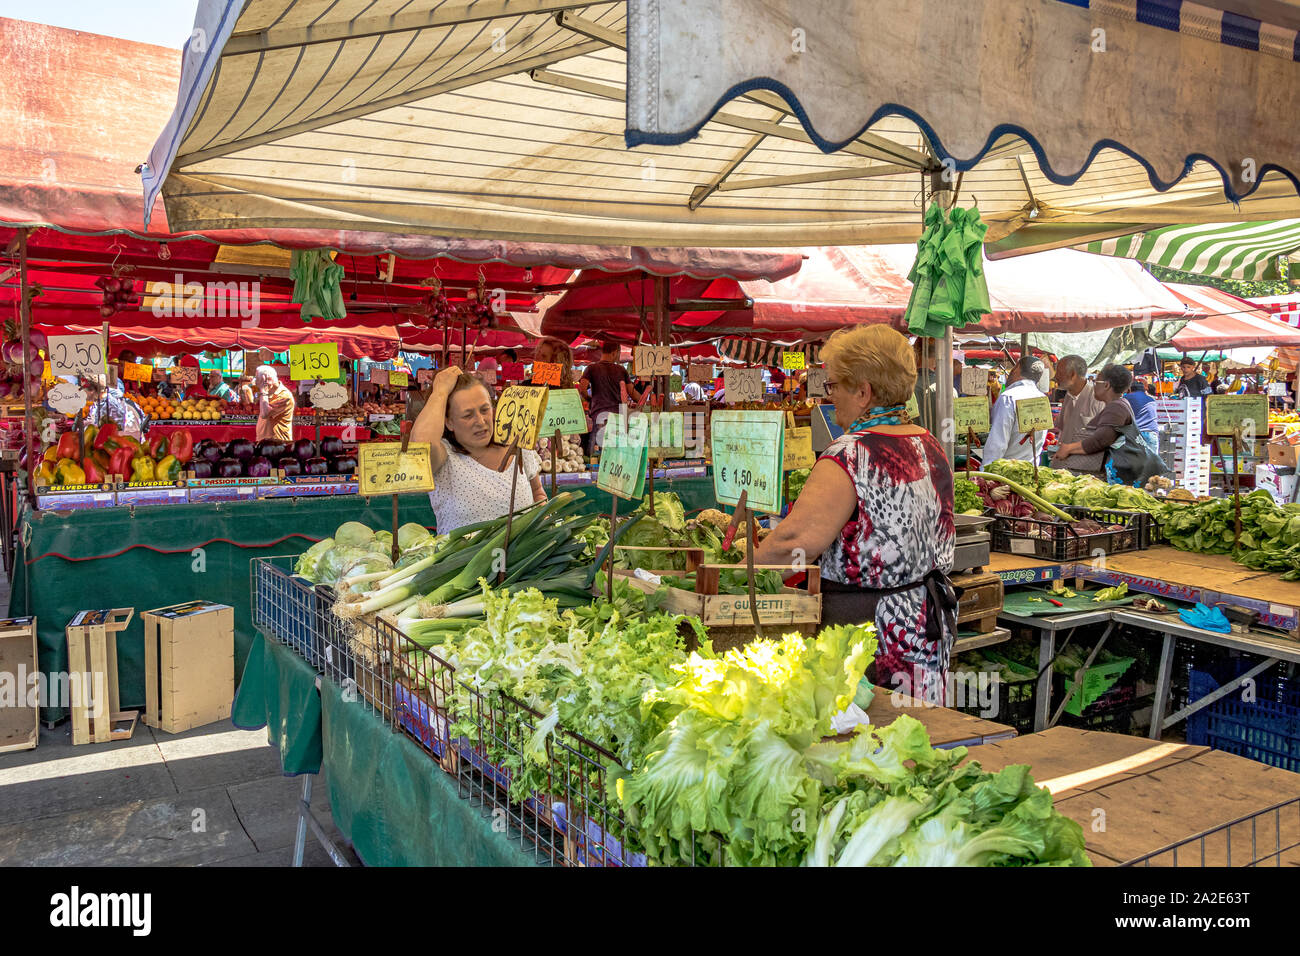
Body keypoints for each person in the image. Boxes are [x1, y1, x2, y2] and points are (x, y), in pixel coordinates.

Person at [752, 325, 956, 705]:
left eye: (833, 387)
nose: (829, 398)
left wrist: (734, 576)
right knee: (915, 742)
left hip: (870, 634)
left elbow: (793, 544)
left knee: (866, 744)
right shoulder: (928, 442)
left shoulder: (849, 454)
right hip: (925, 620)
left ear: (863, 392)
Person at [411, 366, 546, 534]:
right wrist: (440, 392)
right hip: (464, 560)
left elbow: (537, 492)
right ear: (449, 422)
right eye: (468, 415)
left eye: (485, 409)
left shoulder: (515, 445)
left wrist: (544, 521)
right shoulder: (445, 457)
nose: (481, 421)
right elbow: (419, 448)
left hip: (523, 559)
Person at [1053, 364, 1137, 481]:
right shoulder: (1118, 405)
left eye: (1096, 382)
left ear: (1106, 385)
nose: (1094, 385)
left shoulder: (1116, 408)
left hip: (1116, 475)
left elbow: (1102, 439)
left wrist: (1069, 448)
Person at [981, 355, 1049, 464]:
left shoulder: (1008, 397)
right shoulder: (1042, 399)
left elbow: (997, 443)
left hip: (1005, 473)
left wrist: (986, 472)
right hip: (1030, 471)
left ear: (1017, 369)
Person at [578, 341, 642, 451]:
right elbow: (632, 393)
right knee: (615, 452)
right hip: (617, 417)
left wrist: (590, 399)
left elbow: (582, 389)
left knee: (595, 452)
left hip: (599, 416)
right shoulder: (621, 370)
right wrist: (643, 400)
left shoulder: (591, 368)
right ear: (615, 352)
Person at [1054, 354, 1104, 448]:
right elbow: (1060, 426)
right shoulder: (1069, 396)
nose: (1055, 376)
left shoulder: (1097, 398)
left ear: (1073, 375)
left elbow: (1103, 438)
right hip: (1064, 457)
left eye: (1059, 373)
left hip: (1085, 460)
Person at [79, 375, 149, 439]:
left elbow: (114, 433)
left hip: (127, 446)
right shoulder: (98, 403)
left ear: (92, 391)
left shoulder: (111, 406)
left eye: (82, 388)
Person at [254, 365, 295, 442]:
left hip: (277, 443)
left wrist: (263, 390)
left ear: (267, 380)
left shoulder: (284, 395)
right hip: (265, 441)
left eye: (258, 381)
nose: (257, 384)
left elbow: (265, 414)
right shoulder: (269, 392)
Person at [1126, 379, 1159, 454]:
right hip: (1151, 434)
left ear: (1130, 389)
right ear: (1144, 390)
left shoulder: (1127, 398)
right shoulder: (1151, 399)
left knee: (1135, 464)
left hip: (1136, 434)